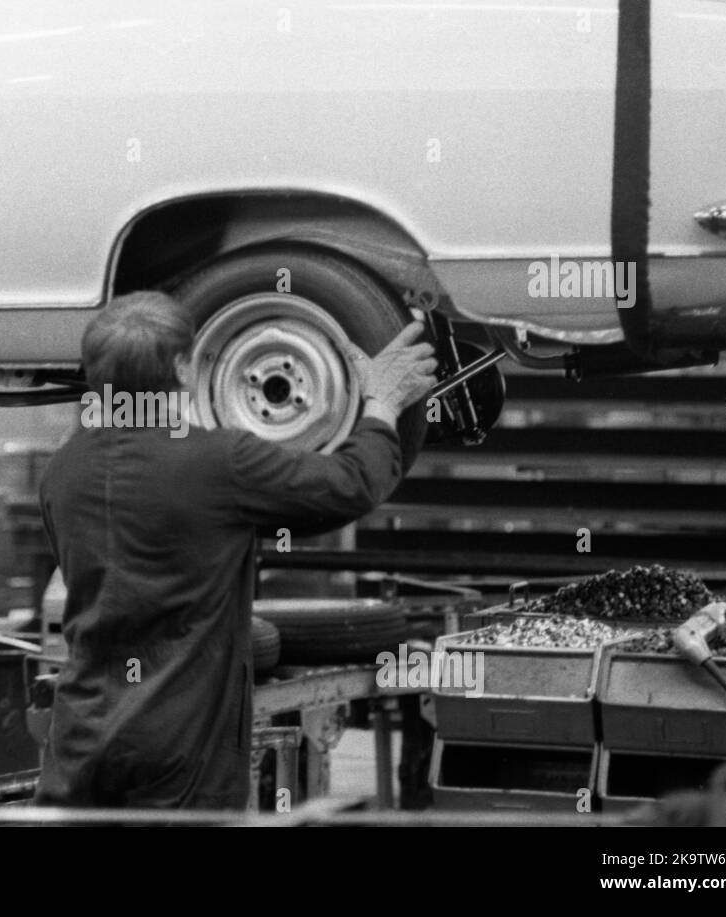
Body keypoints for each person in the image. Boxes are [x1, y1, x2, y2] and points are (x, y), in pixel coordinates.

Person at [35, 290, 436, 809]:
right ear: (183, 369)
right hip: (177, 746)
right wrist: (381, 404)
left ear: (93, 374)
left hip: (79, 741)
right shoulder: (222, 462)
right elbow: (351, 483)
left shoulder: (62, 470)